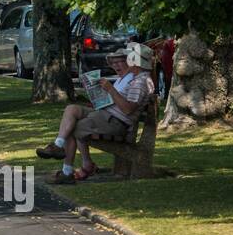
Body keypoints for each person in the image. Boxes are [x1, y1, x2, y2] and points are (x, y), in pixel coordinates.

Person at [37, 43, 156, 183]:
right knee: (71, 109)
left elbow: (128, 109)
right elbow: (120, 102)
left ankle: (68, 171)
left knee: (71, 128)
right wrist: (99, 98)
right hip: (106, 116)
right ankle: (59, 146)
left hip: (115, 122)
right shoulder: (135, 78)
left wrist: (110, 89)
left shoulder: (141, 82)